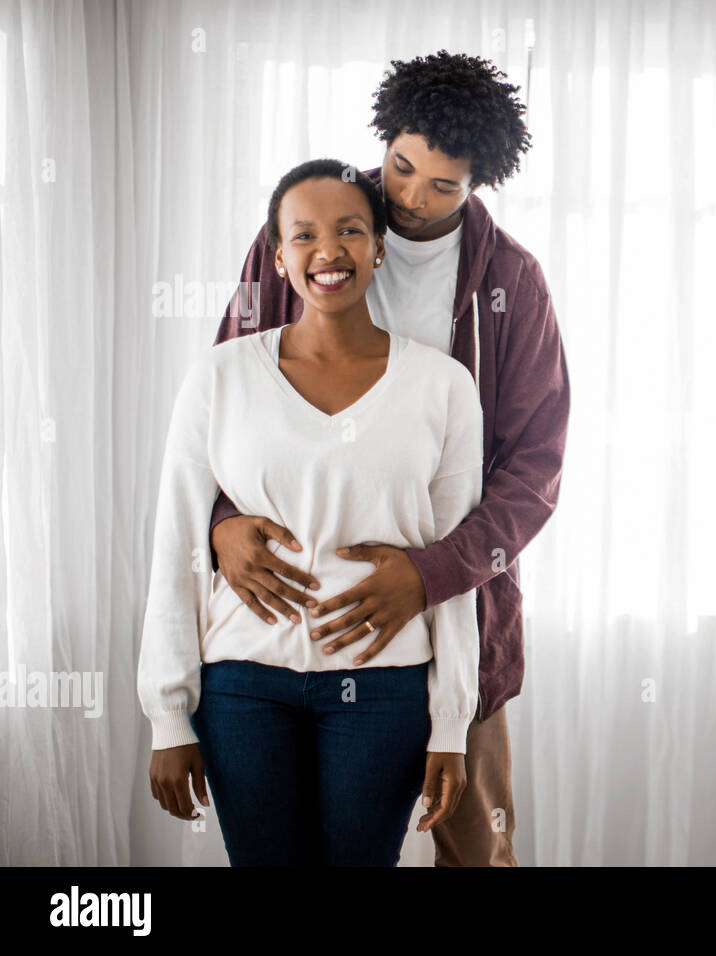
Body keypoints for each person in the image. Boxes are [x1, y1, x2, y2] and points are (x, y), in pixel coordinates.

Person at [206, 52, 570, 867]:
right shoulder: (312, 229)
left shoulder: (511, 282)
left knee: (479, 853)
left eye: (443, 186)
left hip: (454, 604)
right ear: (384, 140)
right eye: (402, 167)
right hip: (295, 615)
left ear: (478, 184)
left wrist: (434, 572)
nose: (411, 196)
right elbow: (224, 408)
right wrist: (224, 526)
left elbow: (534, 470)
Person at [138, 158, 484, 866]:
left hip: (384, 690)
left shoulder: (444, 387)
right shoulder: (220, 376)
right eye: (304, 236)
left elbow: (457, 561)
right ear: (278, 257)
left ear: (379, 247)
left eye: (350, 230)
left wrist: (451, 722)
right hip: (242, 687)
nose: (328, 251)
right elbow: (176, 540)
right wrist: (167, 715)